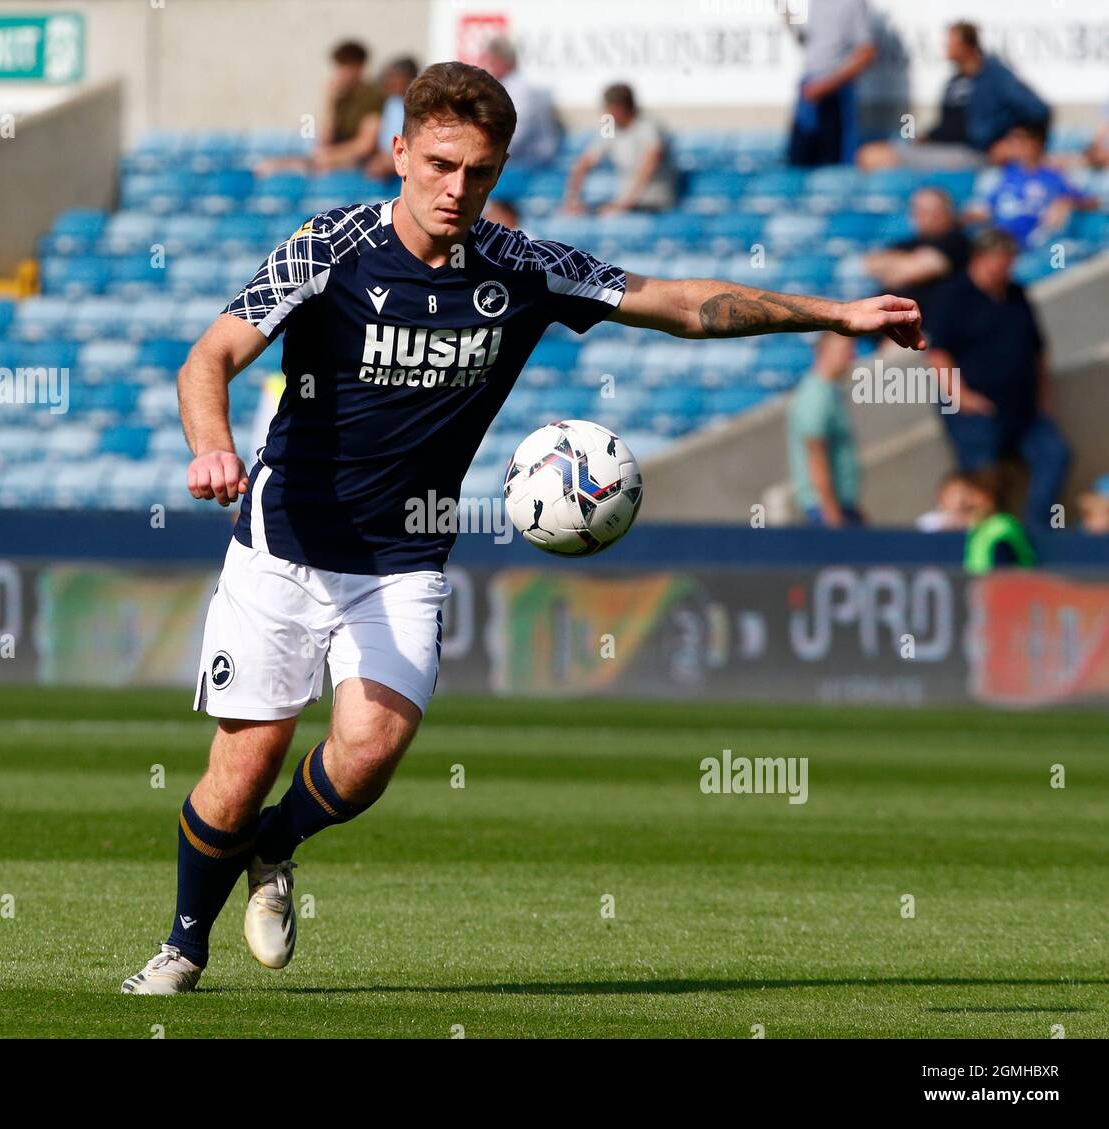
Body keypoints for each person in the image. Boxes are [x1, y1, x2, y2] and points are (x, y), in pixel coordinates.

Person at [120, 60, 925, 995]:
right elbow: (210, 354)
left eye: (480, 172)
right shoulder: (326, 247)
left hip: (403, 550)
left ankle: (274, 848)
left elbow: (673, 302)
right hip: (285, 538)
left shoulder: (522, 267)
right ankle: (182, 945)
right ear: (399, 154)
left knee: (371, 751)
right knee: (246, 759)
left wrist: (833, 314)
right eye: (439, 164)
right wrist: (212, 445)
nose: (458, 189)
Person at [925, 229, 1070, 530]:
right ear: (980, 258)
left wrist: (1043, 402)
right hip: (977, 411)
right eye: (1000, 260)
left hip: (1024, 412)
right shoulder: (955, 296)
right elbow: (937, 353)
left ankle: (1034, 533)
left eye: (1009, 260)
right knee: (982, 478)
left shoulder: (1016, 295)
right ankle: (986, 541)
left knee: (1055, 456)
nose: (1005, 267)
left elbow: (1037, 352)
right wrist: (961, 396)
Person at [857, 22, 1049, 171]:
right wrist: (928, 136)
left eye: (951, 43)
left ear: (968, 46)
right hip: (943, 147)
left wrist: (1009, 143)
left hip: (972, 152)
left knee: (873, 156)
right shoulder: (955, 81)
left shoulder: (995, 77)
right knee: (879, 150)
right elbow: (950, 123)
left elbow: (1037, 110)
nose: (946, 48)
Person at [257, 41, 384, 175]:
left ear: (360, 67)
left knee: (305, 167)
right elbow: (324, 140)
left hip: (360, 161)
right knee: (268, 166)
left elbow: (365, 145)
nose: (341, 72)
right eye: (339, 66)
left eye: (346, 66)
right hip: (333, 157)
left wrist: (329, 156)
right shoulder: (340, 97)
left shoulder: (372, 97)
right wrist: (329, 102)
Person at [968, 122, 1098, 249]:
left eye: (1021, 140)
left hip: (1037, 244)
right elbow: (985, 208)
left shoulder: (1053, 176)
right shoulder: (1002, 175)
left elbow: (1091, 202)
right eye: (1012, 140)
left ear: (1036, 143)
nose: (1015, 145)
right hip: (1001, 243)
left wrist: (1066, 201)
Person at [786, 0, 877, 167]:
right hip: (810, 89)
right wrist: (787, 15)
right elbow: (808, 40)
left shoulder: (852, 3)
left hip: (835, 92)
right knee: (799, 162)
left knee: (838, 167)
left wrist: (825, 86)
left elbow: (866, 52)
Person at [562, 83, 676, 215]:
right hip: (623, 201)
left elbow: (649, 164)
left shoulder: (649, 125)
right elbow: (587, 161)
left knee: (612, 219)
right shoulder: (609, 124)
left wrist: (625, 203)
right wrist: (572, 198)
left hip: (653, 201)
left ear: (620, 108)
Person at [788, 333, 863, 527]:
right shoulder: (817, 395)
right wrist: (831, 513)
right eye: (846, 350)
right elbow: (816, 453)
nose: (852, 357)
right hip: (827, 510)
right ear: (824, 352)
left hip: (839, 506)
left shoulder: (830, 391)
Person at [862, 187, 972, 310]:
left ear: (947, 212)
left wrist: (894, 267)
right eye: (918, 211)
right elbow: (871, 264)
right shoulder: (907, 242)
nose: (924, 217)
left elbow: (915, 272)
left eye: (931, 211)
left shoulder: (955, 242)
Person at [479, 36, 560, 169]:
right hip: (517, 159)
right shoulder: (501, 86)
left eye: (491, 61)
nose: (487, 66)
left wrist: (486, 153)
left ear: (502, 61)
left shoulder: (520, 90)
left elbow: (517, 134)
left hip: (531, 163)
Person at [364, 56, 419, 180]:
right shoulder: (392, 103)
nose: (389, 82)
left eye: (394, 77)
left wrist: (390, 162)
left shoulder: (418, 107)